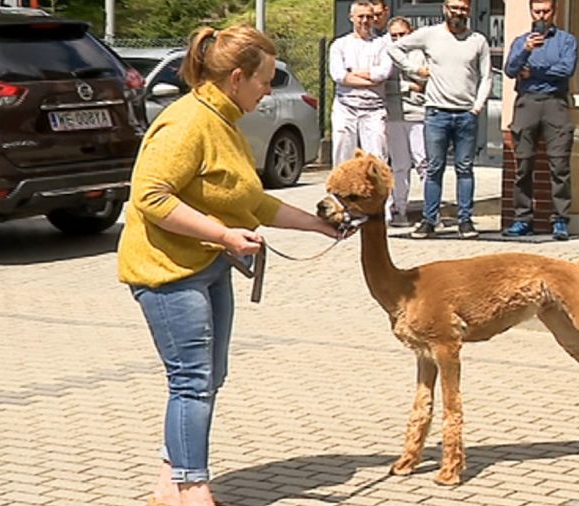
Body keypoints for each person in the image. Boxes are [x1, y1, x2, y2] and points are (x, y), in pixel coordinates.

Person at [117, 25, 339, 506]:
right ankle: (195, 490)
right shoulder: (187, 124)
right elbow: (150, 196)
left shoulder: (226, 123)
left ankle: (167, 484)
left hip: (209, 268)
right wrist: (221, 234)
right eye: (264, 81)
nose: (268, 90)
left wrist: (319, 225)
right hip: (167, 274)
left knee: (207, 377)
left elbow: (252, 203)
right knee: (192, 380)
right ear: (236, 78)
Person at [388, 0, 492, 240]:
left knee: (465, 169)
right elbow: (394, 48)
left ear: (469, 11)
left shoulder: (478, 40)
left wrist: (477, 106)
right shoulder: (429, 35)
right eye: (454, 7)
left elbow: (486, 76)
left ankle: (465, 221)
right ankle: (429, 219)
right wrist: (413, 69)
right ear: (445, 8)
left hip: (466, 112)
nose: (458, 13)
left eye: (463, 9)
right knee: (434, 168)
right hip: (436, 112)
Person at [502, 0, 578, 241]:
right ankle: (523, 219)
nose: (542, 15)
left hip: (555, 103)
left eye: (546, 11)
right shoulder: (521, 41)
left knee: (560, 165)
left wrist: (532, 71)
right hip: (527, 102)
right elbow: (511, 70)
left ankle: (560, 221)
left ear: (554, 11)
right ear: (531, 12)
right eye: (537, 11)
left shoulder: (566, 40)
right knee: (523, 165)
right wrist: (525, 51)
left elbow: (566, 70)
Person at [329, 0, 392, 168]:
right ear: (351, 17)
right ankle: (340, 193)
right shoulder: (339, 45)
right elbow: (339, 75)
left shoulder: (382, 45)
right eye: (361, 16)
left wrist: (353, 72)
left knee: (377, 159)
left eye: (369, 17)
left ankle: (380, 194)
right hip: (345, 108)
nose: (365, 21)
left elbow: (383, 73)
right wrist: (370, 78)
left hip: (374, 110)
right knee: (343, 157)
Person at [385, 17, 428, 227]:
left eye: (402, 34)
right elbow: (382, 84)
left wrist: (417, 82)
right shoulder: (386, 54)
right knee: (399, 165)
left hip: (418, 114)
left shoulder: (420, 54)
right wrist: (408, 86)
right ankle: (398, 208)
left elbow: (427, 80)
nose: (398, 39)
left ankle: (431, 211)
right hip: (393, 115)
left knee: (424, 162)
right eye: (394, 35)